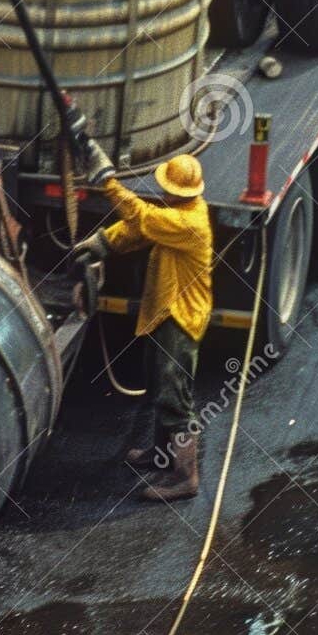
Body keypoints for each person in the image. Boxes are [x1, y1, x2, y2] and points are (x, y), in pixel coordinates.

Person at [73, 146, 213, 501]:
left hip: (181, 319)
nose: (162, 193)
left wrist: (108, 182)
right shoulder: (177, 211)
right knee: (157, 384)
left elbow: (140, 214)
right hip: (164, 312)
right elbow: (138, 229)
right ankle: (162, 455)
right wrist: (104, 243)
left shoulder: (190, 222)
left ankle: (185, 477)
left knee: (173, 396)